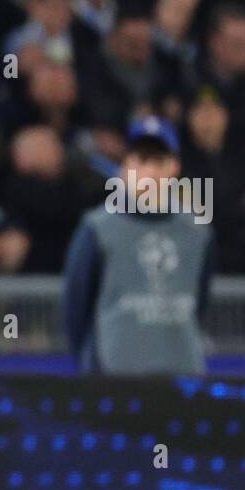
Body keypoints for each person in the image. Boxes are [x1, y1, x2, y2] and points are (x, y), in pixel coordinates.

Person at [63, 116, 215, 375]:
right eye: (141, 161)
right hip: (114, 376)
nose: (150, 172)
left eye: (159, 162)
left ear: (174, 167)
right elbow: (76, 307)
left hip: (183, 375)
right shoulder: (97, 229)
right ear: (126, 166)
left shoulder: (198, 233)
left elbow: (198, 300)